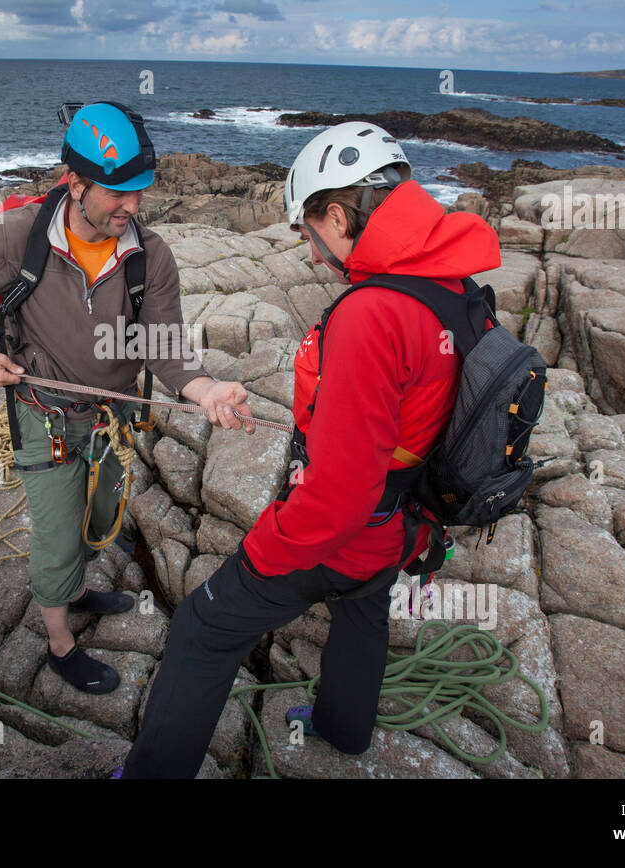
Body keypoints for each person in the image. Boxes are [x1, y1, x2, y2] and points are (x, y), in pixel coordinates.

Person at [120, 121, 502, 777]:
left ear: (337, 213)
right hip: (406, 522)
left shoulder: (372, 314)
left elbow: (338, 497)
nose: (310, 248)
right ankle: (344, 730)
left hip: (351, 530)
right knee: (363, 611)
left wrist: (261, 551)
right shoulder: (455, 285)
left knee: (203, 631)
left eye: (309, 228)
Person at [0, 101, 254, 695]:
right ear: (76, 184)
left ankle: (78, 590)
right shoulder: (20, 239)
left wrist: (206, 388)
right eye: (118, 192)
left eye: (140, 192)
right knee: (56, 537)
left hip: (113, 420)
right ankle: (59, 644)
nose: (132, 207)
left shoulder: (149, 257)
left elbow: (163, 345)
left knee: (98, 518)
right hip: (45, 420)